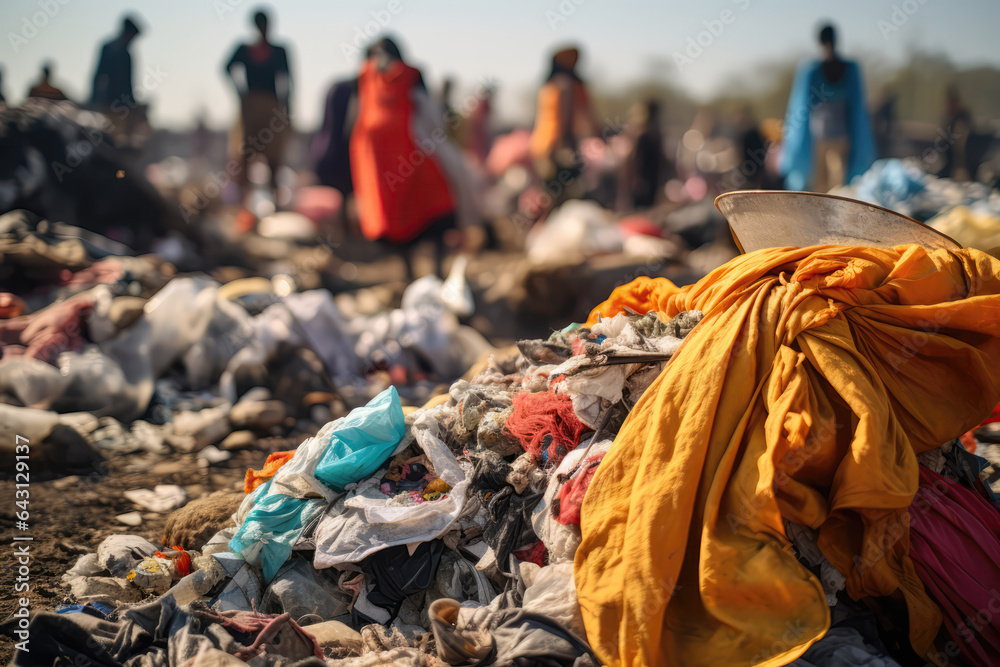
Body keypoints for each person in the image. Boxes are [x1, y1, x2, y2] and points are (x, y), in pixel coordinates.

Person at [349, 37, 457, 279]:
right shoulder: (411, 73)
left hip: (379, 155)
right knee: (433, 201)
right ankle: (435, 274)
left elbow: (353, 117)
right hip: (409, 147)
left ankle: (411, 276)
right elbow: (430, 112)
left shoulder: (364, 74)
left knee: (396, 213)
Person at [780, 24, 875, 192]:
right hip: (822, 140)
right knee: (823, 186)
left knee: (837, 185)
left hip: (838, 139)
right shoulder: (813, 70)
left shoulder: (846, 69)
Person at [225, 9, 292, 204]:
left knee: (274, 159)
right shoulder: (244, 49)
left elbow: (288, 81)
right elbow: (227, 68)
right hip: (250, 110)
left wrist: (286, 109)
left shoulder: (279, 51)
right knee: (244, 157)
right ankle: (242, 206)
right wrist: (240, 92)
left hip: (272, 108)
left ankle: (275, 204)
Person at [529, 46, 600, 200]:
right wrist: (563, 144)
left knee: (549, 191)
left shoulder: (549, 86)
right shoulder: (566, 85)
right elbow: (564, 119)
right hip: (556, 145)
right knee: (563, 193)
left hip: (541, 143)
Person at [622, 99, 669, 208]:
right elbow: (636, 159)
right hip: (644, 180)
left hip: (651, 178)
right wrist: (636, 179)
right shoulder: (646, 135)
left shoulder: (653, 134)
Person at [91, 16, 141, 110]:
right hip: (108, 103)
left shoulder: (122, 52)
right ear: (128, 33)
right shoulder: (116, 51)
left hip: (113, 103)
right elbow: (100, 76)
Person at [938, 85, 973, 181]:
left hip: (964, 159)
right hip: (947, 157)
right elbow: (942, 137)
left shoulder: (963, 116)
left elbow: (965, 137)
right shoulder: (946, 116)